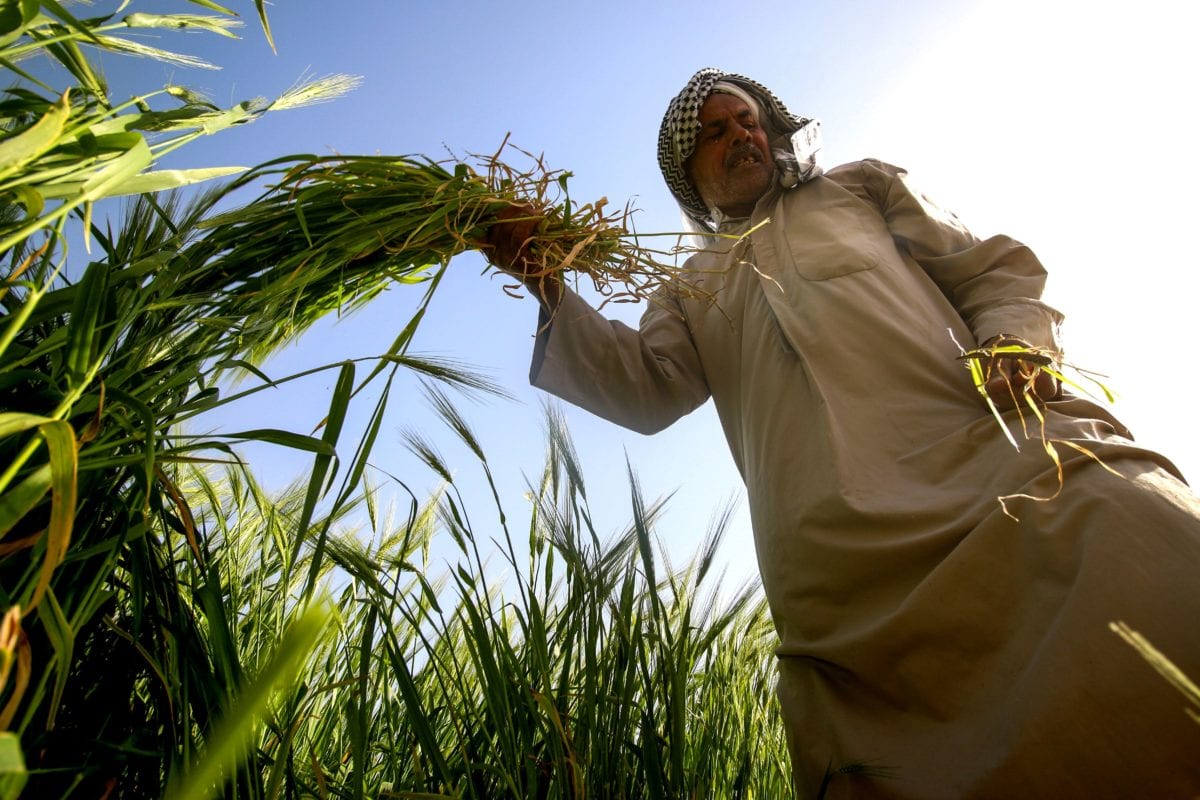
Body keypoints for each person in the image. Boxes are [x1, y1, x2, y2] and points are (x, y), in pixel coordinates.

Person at [486, 68, 1200, 798]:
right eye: (715, 133)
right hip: (836, 551)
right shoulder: (686, 283)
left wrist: (1016, 343)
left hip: (991, 455)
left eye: (749, 121)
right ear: (688, 176)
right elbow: (647, 389)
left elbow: (989, 271)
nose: (741, 135)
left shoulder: (861, 187)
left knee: (1138, 533)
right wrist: (543, 277)